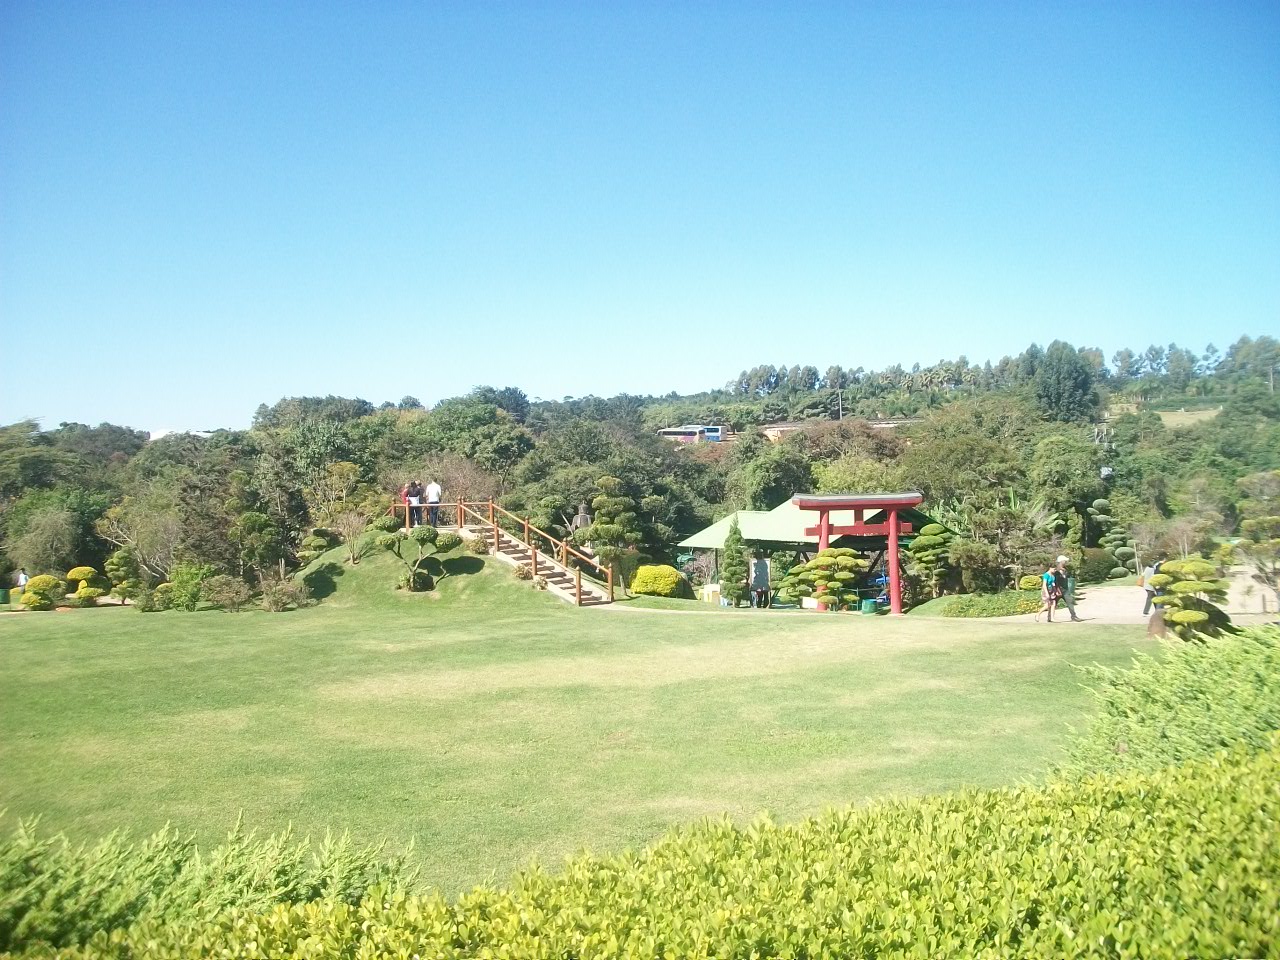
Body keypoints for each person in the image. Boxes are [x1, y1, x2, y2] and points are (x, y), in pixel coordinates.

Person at [1054, 555, 1081, 622]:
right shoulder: (1056, 571)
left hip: (1065, 590)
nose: (1066, 562)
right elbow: (1055, 582)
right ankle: (1050, 616)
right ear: (1061, 561)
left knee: (1070, 602)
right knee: (1054, 604)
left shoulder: (1065, 569)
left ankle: (1074, 616)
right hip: (1058, 590)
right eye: (1065, 561)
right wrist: (1057, 590)